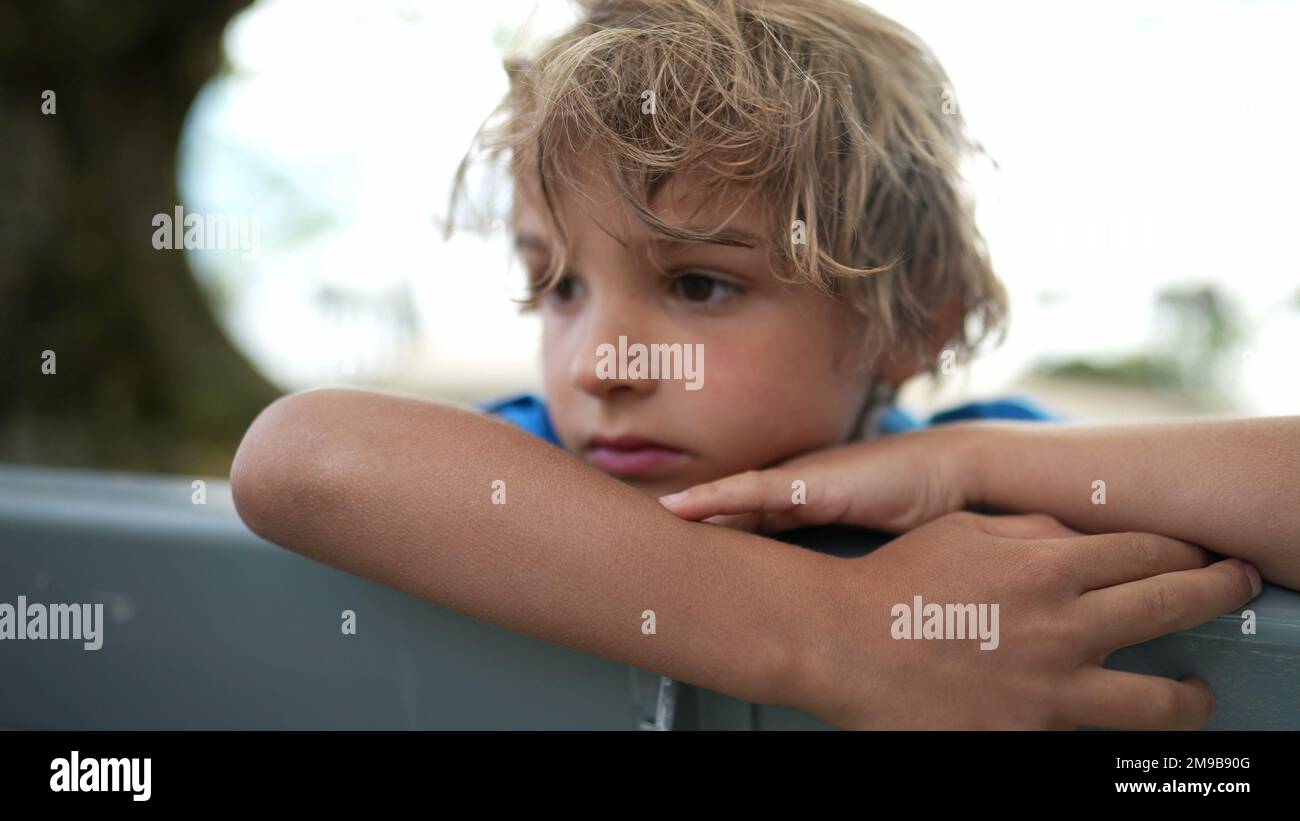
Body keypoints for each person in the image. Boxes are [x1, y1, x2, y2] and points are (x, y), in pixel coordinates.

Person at [230, 0, 1294, 729]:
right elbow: (299, 454)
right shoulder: (530, 479)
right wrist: (844, 635)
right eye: (557, 284)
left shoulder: (965, 503)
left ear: (913, 318)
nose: (600, 361)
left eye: (698, 285)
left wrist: (970, 457)